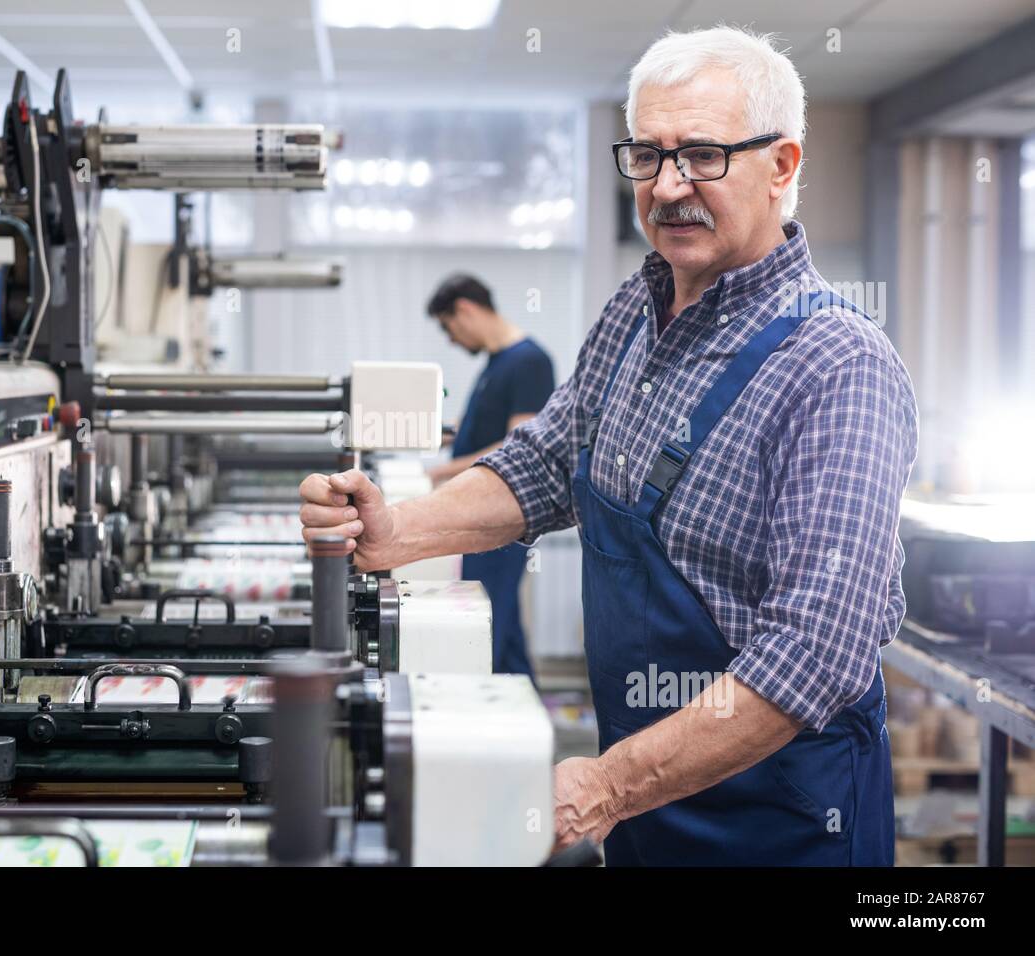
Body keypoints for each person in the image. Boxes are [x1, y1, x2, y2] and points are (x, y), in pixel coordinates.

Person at [298, 26, 918, 866]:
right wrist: (399, 532)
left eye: (702, 154)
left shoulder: (837, 365)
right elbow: (545, 464)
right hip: (653, 802)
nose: (668, 187)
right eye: (648, 155)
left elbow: (814, 654)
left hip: (786, 823)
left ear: (781, 166)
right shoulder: (634, 313)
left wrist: (605, 784)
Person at [425, 274, 555, 679]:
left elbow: (515, 444)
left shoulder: (530, 361)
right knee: (504, 625)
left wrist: (437, 473)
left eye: (449, 328)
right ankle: (530, 719)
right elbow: (481, 427)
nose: (452, 340)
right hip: (478, 514)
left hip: (500, 518)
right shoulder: (498, 363)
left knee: (485, 627)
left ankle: (486, 721)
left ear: (465, 309)